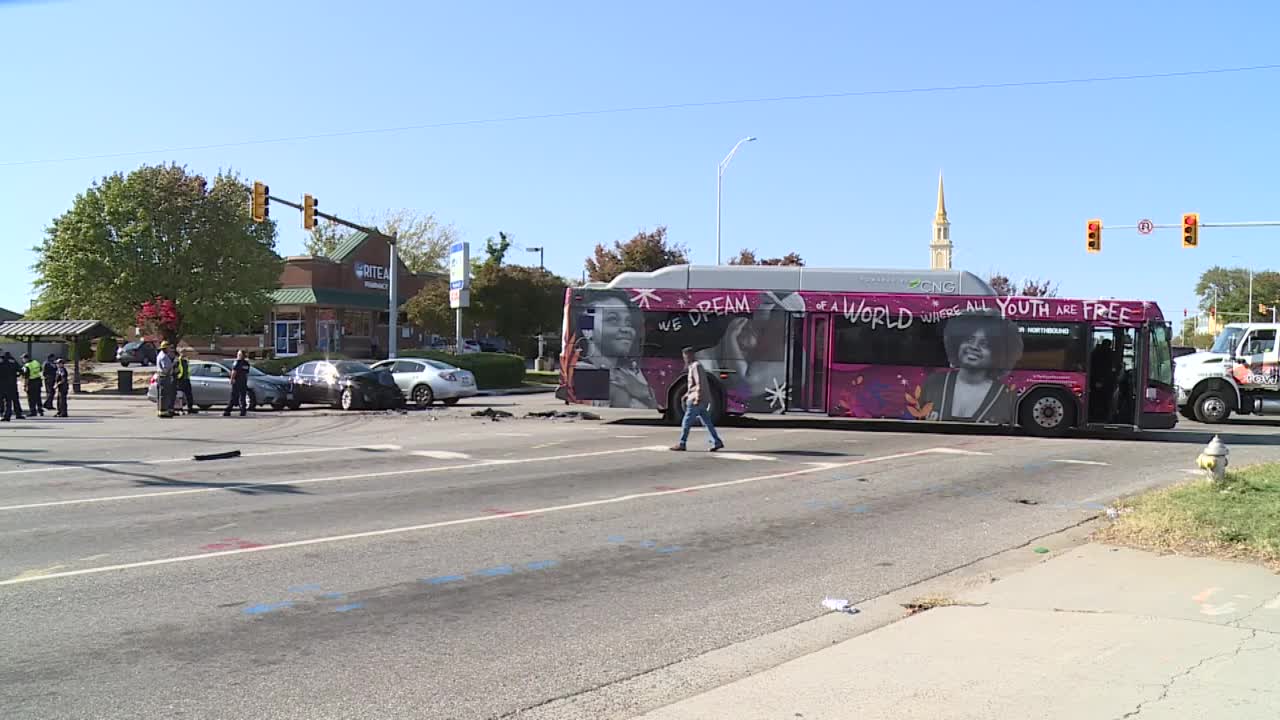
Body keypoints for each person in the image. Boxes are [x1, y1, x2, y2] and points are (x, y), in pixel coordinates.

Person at [920, 312, 1023, 424]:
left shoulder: (1006, 396)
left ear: (997, 353)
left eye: (984, 344)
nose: (974, 347)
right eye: (969, 340)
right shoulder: (934, 383)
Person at [576, 292, 656, 408]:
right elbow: (621, 400)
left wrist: (642, 391)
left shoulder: (629, 372)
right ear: (588, 329)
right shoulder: (584, 370)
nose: (626, 329)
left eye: (628, 322)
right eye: (613, 319)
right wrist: (642, 392)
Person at [671, 346, 725, 452]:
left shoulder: (696, 366)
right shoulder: (694, 366)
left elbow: (699, 383)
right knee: (707, 422)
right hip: (697, 397)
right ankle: (716, 441)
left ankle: (682, 443)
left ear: (690, 355)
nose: (684, 359)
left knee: (686, 422)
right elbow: (694, 384)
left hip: (696, 399)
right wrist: (686, 394)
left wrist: (697, 397)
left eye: (685, 356)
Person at [224, 350, 251, 417]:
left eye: (239, 354)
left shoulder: (237, 362)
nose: (237, 355)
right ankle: (243, 411)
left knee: (233, 396)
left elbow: (234, 371)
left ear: (241, 355)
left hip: (237, 382)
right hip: (243, 382)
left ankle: (227, 411)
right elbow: (246, 374)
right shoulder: (246, 363)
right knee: (242, 397)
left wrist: (232, 379)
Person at [155, 341, 177, 418]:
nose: (169, 349)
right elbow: (166, 368)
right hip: (164, 377)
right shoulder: (164, 356)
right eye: (168, 348)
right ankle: (163, 412)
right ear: (166, 348)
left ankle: (161, 410)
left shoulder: (160, 355)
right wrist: (172, 365)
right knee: (164, 395)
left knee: (162, 395)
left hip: (161, 376)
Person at [0, 350, 23, 421]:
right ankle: (9, 415)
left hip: (2, 383)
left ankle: (3, 413)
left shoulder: (1, 360)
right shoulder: (13, 361)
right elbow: (20, 370)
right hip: (12, 384)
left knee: (2, 400)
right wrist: (15, 375)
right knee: (9, 400)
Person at [20, 353, 44, 417]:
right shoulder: (36, 362)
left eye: (23, 359)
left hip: (31, 382)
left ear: (26, 359)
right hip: (38, 381)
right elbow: (41, 369)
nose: (22, 360)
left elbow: (26, 377)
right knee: (38, 397)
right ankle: (40, 410)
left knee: (31, 398)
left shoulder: (27, 366)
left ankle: (33, 411)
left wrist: (25, 386)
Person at [176, 349, 197, 414]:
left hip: (186, 379)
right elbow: (176, 370)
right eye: (183, 352)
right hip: (180, 380)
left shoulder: (186, 360)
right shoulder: (178, 361)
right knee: (180, 396)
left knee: (189, 395)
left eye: (185, 352)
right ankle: (180, 409)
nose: (184, 354)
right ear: (180, 353)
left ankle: (190, 408)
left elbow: (187, 370)